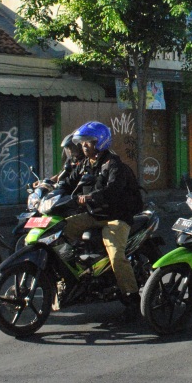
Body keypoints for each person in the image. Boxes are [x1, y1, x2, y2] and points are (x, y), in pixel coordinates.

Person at [58, 121, 145, 322]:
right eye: (82, 143)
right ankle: (78, 274)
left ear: (100, 141)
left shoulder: (114, 165)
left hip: (116, 218)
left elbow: (113, 190)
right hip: (94, 215)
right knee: (61, 230)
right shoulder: (85, 164)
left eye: (88, 142)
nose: (83, 146)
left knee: (116, 256)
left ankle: (132, 297)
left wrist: (90, 197)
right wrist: (49, 189)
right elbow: (67, 182)